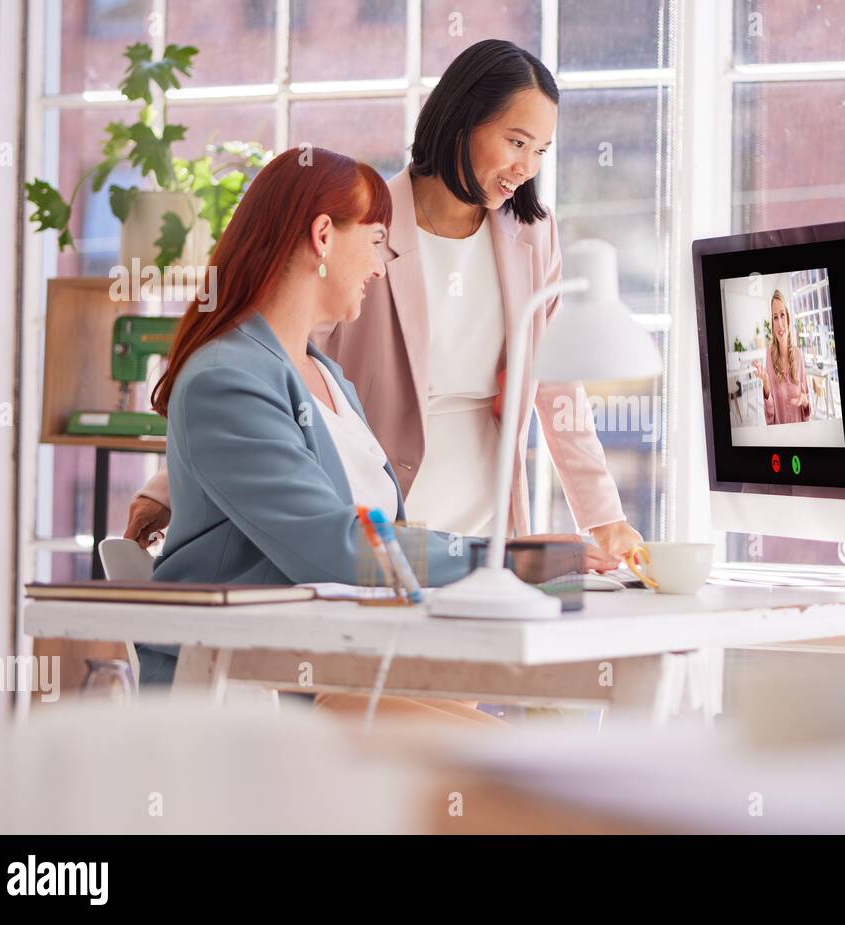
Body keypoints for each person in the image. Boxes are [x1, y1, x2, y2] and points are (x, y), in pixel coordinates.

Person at [139, 146, 612, 727]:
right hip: (259, 691)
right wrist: (502, 561)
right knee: (539, 778)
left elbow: (377, 538)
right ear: (322, 237)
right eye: (375, 243)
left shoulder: (325, 376)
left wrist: (510, 564)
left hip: (340, 669)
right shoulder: (226, 380)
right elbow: (336, 545)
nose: (381, 266)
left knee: (555, 761)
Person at [127, 39, 643, 567]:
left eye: (540, 151)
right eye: (516, 142)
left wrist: (604, 518)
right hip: (375, 517)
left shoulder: (532, 235)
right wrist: (171, 486)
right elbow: (274, 357)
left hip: (485, 518)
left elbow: (556, 381)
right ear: (462, 121)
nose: (526, 166)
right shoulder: (365, 223)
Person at [751, 289, 811, 425]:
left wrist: (805, 401)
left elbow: (807, 414)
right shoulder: (769, 356)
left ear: (788, 318)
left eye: (782, 315)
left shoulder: (799, 355)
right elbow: (770, 418)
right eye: (775, 317)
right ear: (772, 324)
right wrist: (766, 384)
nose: (779, 323)